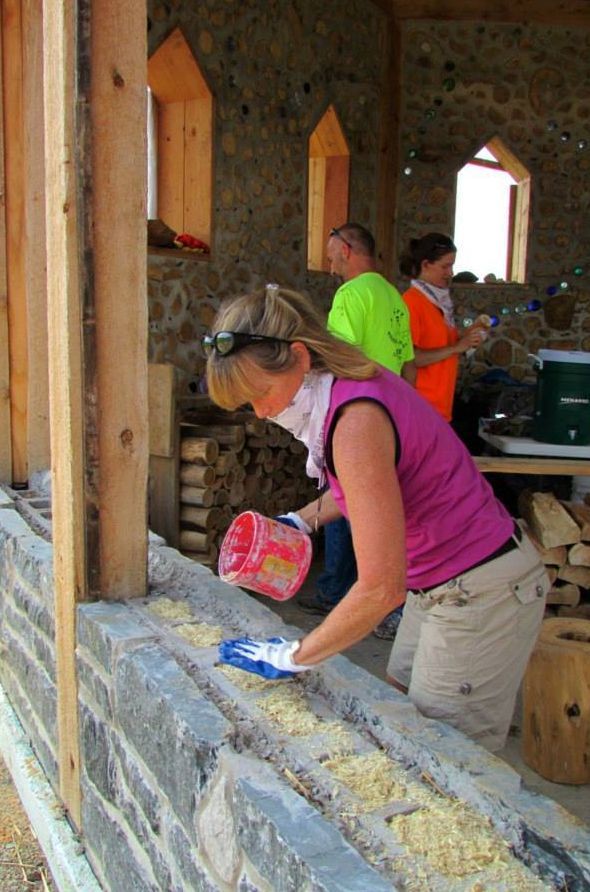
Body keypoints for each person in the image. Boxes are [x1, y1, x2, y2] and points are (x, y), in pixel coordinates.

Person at [204, 285, 549, 752]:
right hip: (435, 584)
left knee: (445, 758)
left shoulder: (355, 421)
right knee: (399, 712)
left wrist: (294, 655)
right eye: (248, 405)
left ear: (301, 357)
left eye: (261, 394)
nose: (262, 413)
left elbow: (380, 588)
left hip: (481, 587)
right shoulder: (346, 387)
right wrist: (301, 520)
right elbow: (368, 490)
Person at [299, 223, 416, 632]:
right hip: (394, 411)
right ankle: (371, 593)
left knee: (342, 496)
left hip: (356, 412)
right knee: (380, 505)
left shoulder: (350, 295)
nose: (332, 269)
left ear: (348, 250)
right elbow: (408, 360)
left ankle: (337, 590)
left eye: (333, 258)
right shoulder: (394, 298)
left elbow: (338, 355)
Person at [399, 233, 488, 422]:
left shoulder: (439, 303)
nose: (451, 273)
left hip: (440, 407)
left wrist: (467, 336)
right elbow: (410, 358)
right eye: (445, 266)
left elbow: (440, 344)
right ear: (425, 265)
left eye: (452, 265)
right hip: (422, 407)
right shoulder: (412, 302)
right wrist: (457, 347)